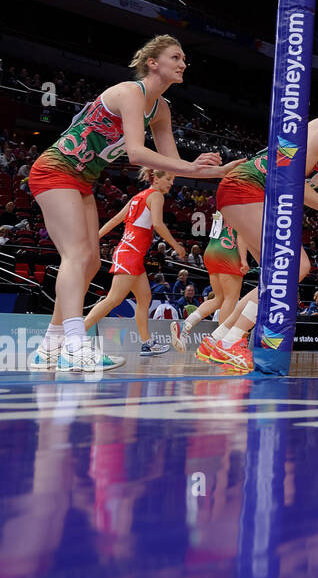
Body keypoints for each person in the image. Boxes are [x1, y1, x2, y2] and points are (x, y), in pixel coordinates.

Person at [26, 35, 234, 373]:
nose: (183, 64)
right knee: (77, 256)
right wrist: (193, 167)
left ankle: (49, 347)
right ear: (153, 62)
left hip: (83, 179)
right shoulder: (130, 92)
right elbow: (137, 153)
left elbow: (172, 164)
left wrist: (218, 170)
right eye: (176, 57)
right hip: (54, 170)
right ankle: (75, 345)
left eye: (185, 59)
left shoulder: (161, 108)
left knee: (91, 262)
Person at [200, 77, 318, 374]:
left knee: (278, 278)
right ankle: (230, 343)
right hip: (247, 184)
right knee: (294, 267)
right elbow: (291, 181)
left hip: (263, 195)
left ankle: (219, 339)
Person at [82, 167, 187, 359]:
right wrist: (176, 246)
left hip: (131, 253)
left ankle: (147, 343)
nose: (172, 183)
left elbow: (114, 220)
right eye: (169, 178)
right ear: (155, 179)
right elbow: (157, 224)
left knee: (145, 298)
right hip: (130, 253)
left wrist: (93, 239)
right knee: (114, 299)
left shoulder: (137, 197)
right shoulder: (156, 196)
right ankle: (77, 335)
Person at [173, 208, 249, 349]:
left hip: (211, 250)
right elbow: (241, 236)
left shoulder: (223, 205)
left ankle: (185, 325)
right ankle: (222, 342)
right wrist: (244, 259)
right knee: (230, 298)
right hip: (227, 250)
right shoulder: (241, 205)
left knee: (218, 298)